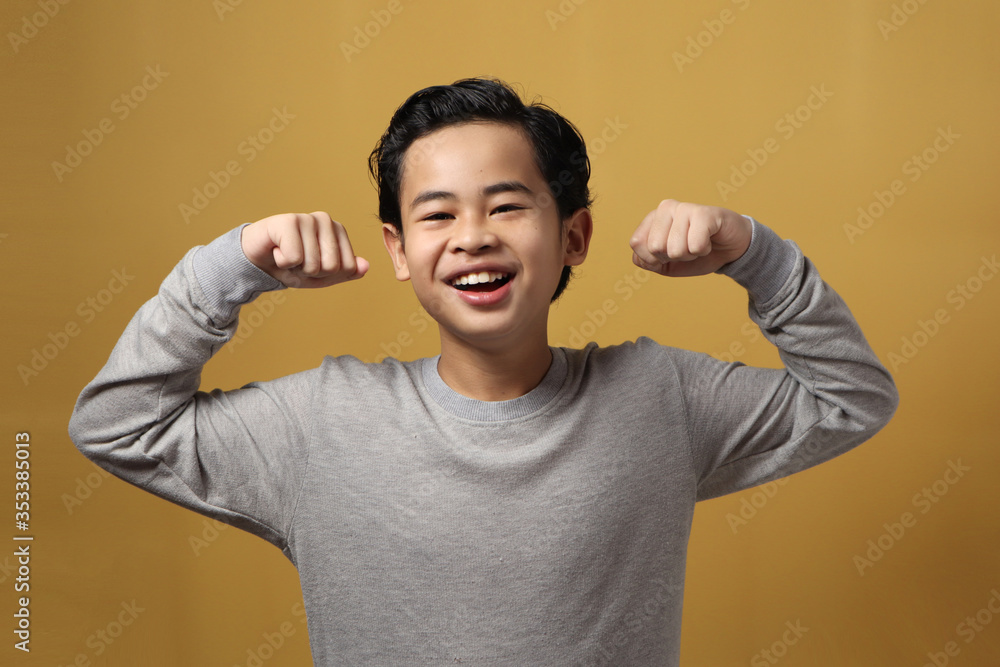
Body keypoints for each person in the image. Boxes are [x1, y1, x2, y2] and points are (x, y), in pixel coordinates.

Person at [69, 77, 898, 665]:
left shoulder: (660, 399)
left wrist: (753, 252)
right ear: (398, 249)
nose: (472, 235)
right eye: (437, 214)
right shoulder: (322, 424)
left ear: (573, 237)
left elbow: (850, 397)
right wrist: (230, 265)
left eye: (507, 205)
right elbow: (116, 424)